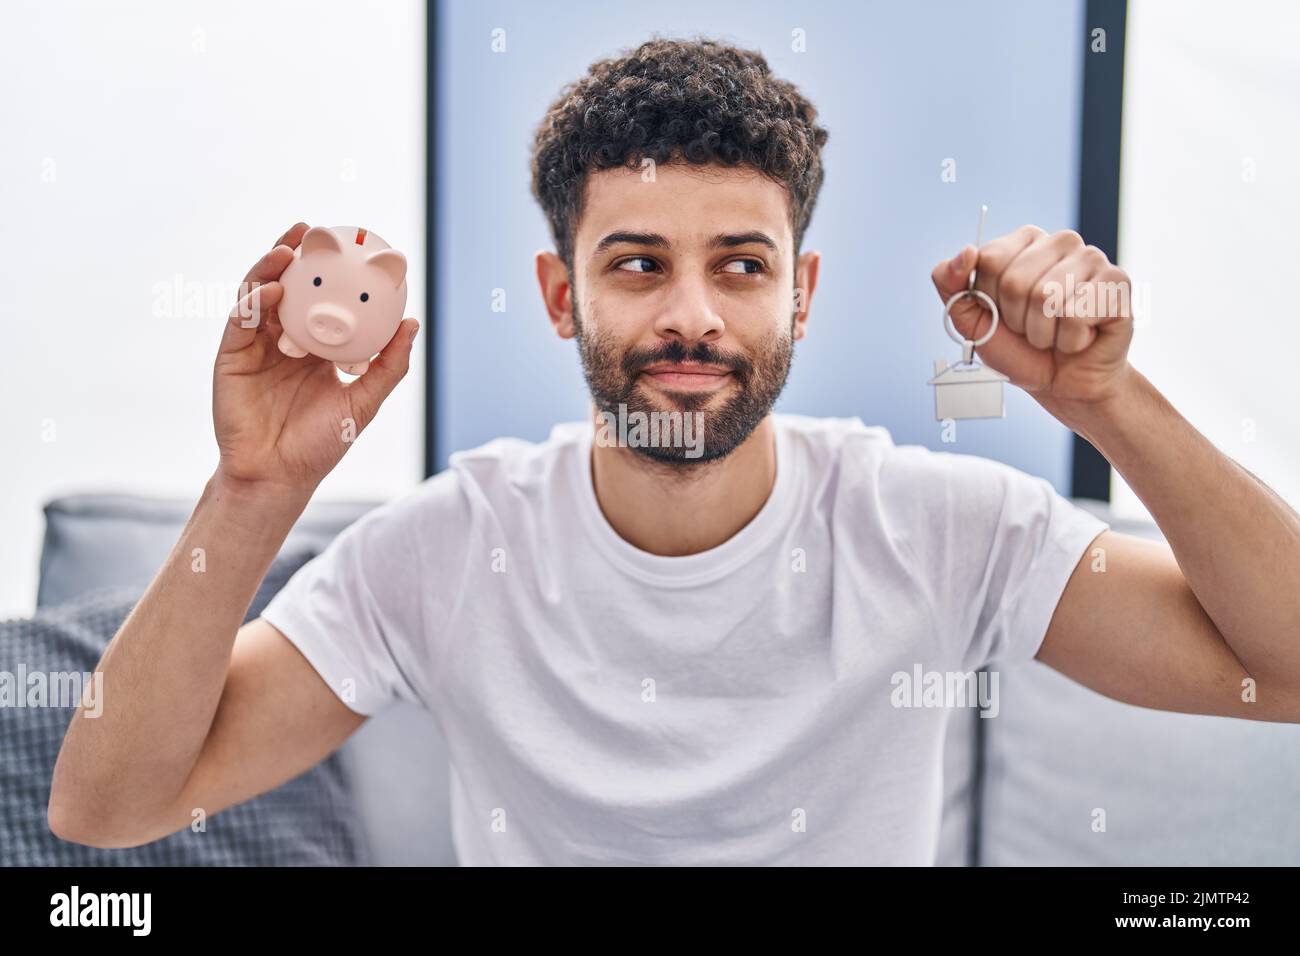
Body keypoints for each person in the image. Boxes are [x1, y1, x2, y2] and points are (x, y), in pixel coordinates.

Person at [49, 38, 1300, 865]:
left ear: (800, 293)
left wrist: (1109, 400)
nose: (691, 314)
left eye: (740, 266)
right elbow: (107, 805)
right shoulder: (446, 549)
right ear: (558, 293)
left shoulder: (936, 528)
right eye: (638, 262)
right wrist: (255, 486)